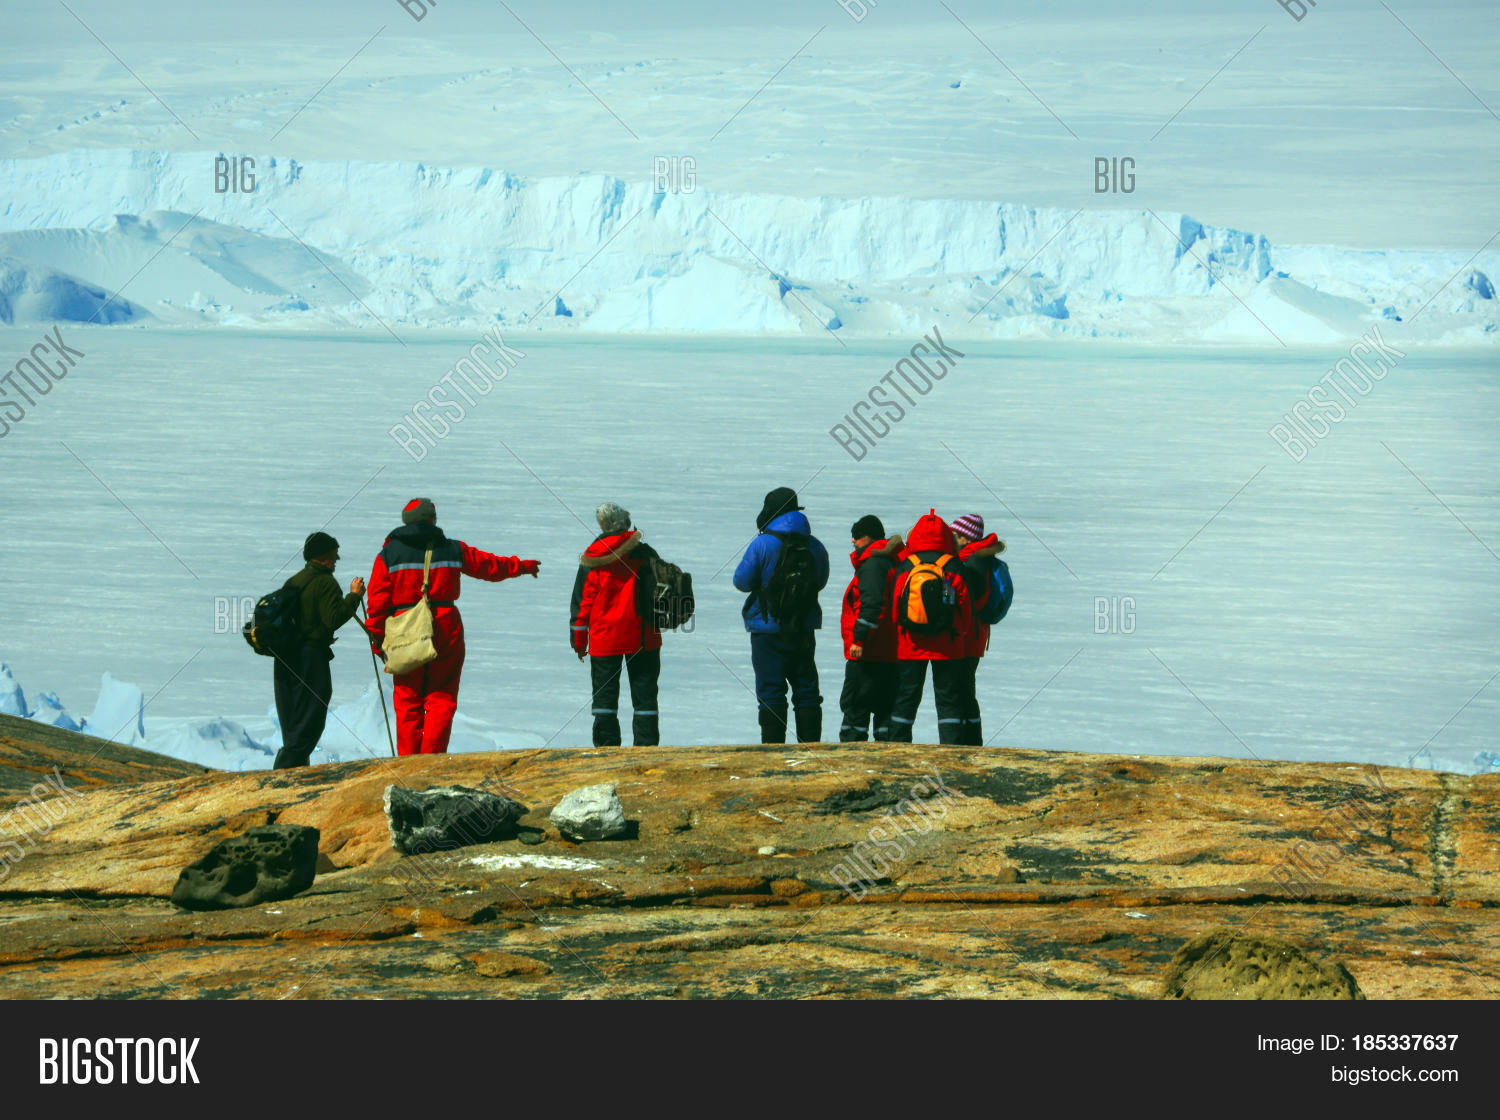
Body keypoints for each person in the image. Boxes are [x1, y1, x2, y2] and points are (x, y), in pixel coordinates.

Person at [365, 498, 540, 755]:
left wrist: (377, 640)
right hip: (446, 626)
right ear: (431, 521)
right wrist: (521, 566)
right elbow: (489, 566)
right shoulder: (452, 549)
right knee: (441, 696)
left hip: (404, 629)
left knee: (407, 699)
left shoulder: (388, 555)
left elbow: (377, 601)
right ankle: (432, 760)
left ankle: (408, 763)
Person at [732, 486, 830, 744]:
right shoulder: (815, 545)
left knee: (771, 690)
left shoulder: (762, 544)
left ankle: (773, 750)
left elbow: (741, 582)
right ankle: (811, 749)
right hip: (803, 627)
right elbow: (820, 581)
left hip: (766, 629)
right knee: (806, 688)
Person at [570, 502, 662, 747]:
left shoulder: (592, 557)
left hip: (604, 639)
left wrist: (579, 642)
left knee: (604, 701)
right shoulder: (644, 553)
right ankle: (646, 751)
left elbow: (582, 604)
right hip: (644, 637)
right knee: (645, 700)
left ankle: (607, 752)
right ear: (625, 523)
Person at [272, 531, 365, 770]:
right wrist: (354, 597)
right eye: (334, 555)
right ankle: (289, 766)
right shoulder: (324, 582)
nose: (337, 559)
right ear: (323, 556)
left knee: (293, 716)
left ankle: (292, 767)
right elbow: (333, 618)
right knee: (311, 713)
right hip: (310, 657)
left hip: (285, 657)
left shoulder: (296, 580)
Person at [888, 510, 973, 744]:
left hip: (910, 641)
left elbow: (895, 603)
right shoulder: (953, 565)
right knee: (948, 698)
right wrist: (961, 631)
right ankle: (951, 746)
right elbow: (965, 605)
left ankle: (897, 745)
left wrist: (901, 629)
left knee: (906, 695)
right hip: (948, 642)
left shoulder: (907, 565)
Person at [838, 515, 903, 742]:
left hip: (870, 651)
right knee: (885, 708)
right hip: (891, 650)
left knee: (856, 705)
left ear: (866, 537)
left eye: (855, 538)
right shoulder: (893, 561)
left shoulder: (872, 564)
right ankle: (886, 758)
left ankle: (851, 758)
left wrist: (859, 639)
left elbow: (872, 605)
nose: (854, 542)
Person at [950, 513, 1009, 747]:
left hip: (968, 635)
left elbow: (968, 600)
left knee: (961, 687)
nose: (951, 539)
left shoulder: (971, 562)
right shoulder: (979, 559)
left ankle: (967, 742)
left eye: (954, 535)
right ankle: (972, 740)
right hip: (976, 635)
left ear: (965, 538)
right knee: (966, 687)